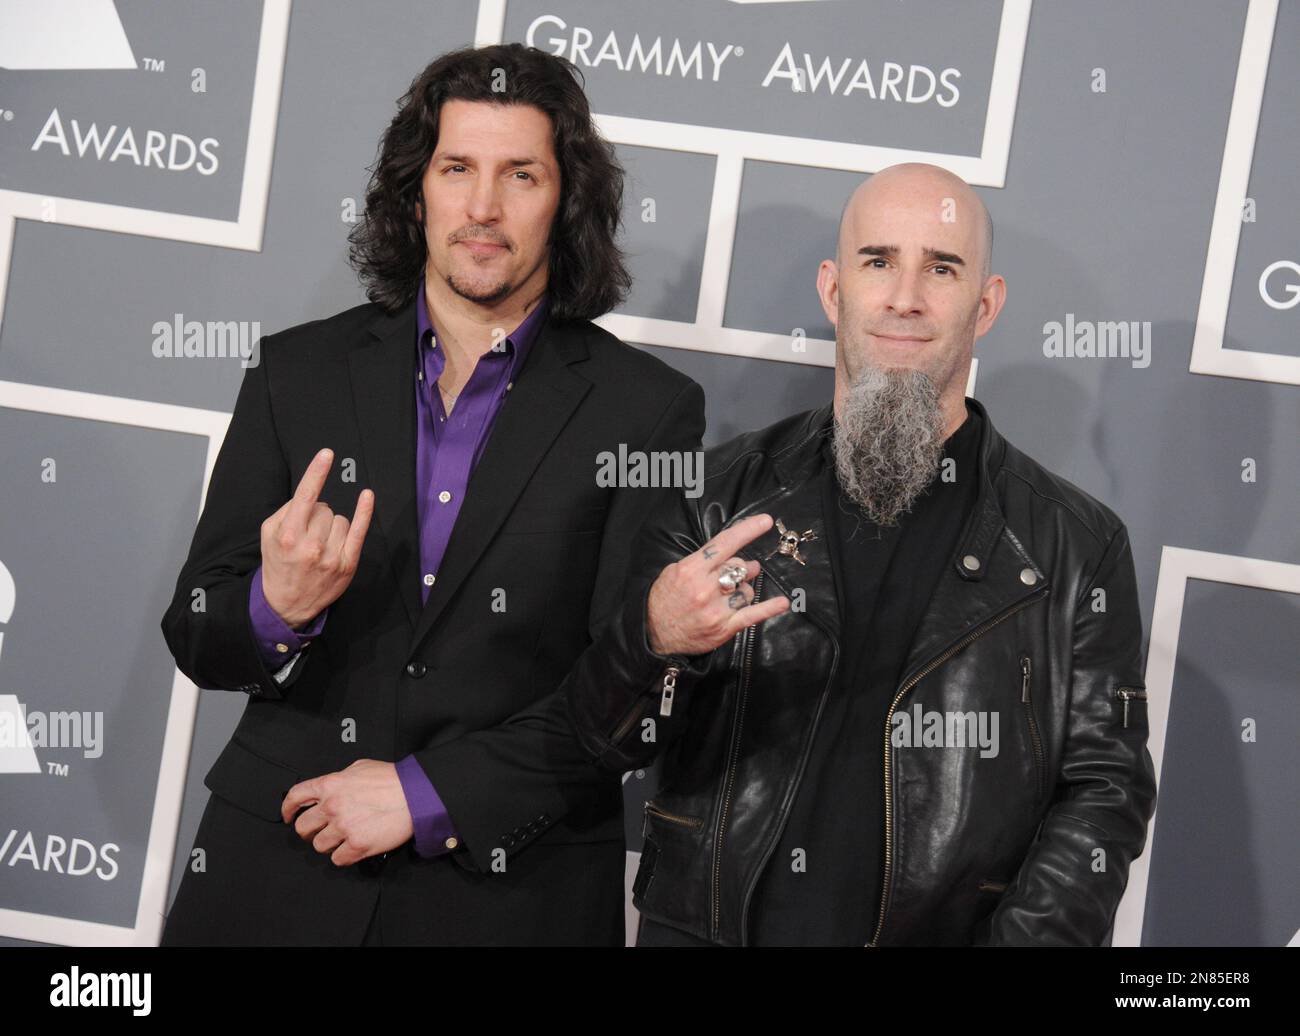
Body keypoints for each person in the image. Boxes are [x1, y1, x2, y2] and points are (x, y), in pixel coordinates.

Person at [159, 43, 704, 945]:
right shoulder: (297, 372)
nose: (483, 207)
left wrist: (424, 793)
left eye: (520, 175)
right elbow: (197, 628)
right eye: (458, 169)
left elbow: (633, 694)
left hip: (509, 888)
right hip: (276, 871)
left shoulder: (650, 412)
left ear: (564, 200)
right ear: (418, 192)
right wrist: (270, 607)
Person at [566, 162, 1157, 946]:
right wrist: (653, 641)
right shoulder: (715, 499)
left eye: (940, 269)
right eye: (877, 261)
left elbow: (1102, 796)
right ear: (834, 290)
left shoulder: (1076, 547)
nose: (904, 297)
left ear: (985, 305)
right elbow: (604, 744)